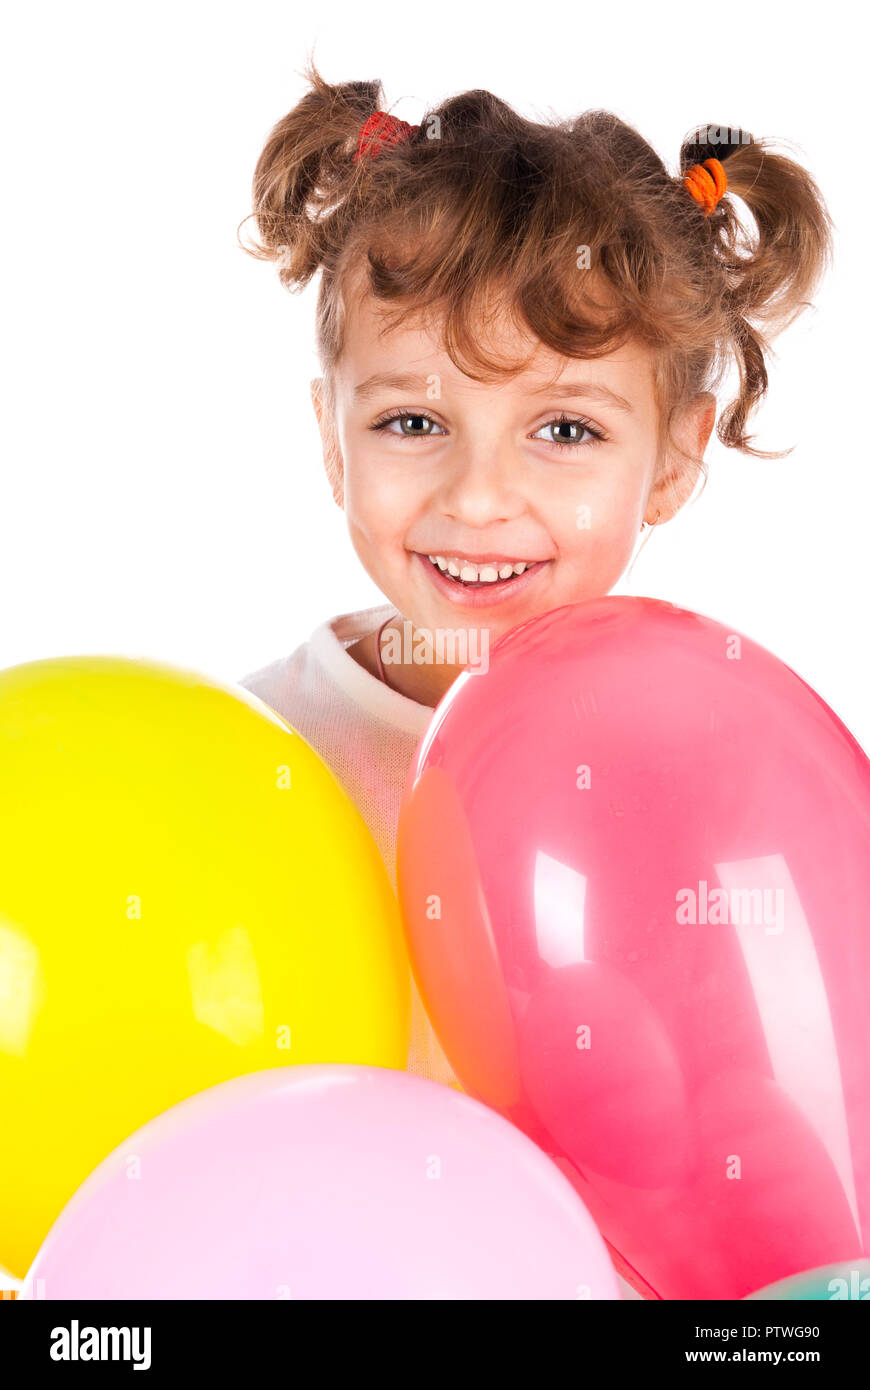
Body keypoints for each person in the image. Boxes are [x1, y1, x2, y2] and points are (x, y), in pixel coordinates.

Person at [237, 63, 832, 1094]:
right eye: (412, 423)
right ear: (332, 440)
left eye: (565, 429)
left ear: (676, 459)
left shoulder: (725, 779)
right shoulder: (256, 762)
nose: (478, 497)